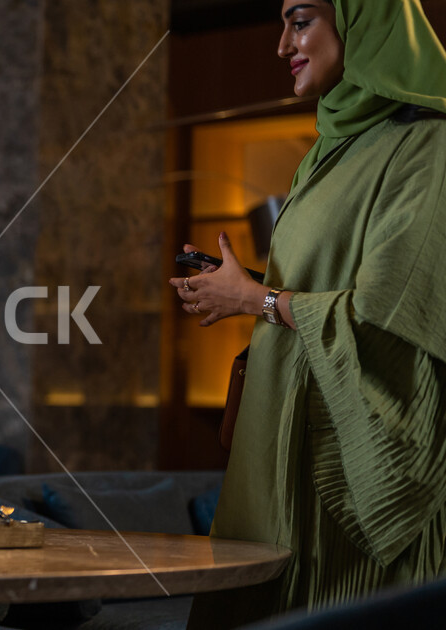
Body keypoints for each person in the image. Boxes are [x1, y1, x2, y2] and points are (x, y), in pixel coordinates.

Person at [170, 1, 446, 626]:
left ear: (364, 22)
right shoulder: (331, 150)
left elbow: (388, 321)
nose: (281, 46)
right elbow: (321, 289)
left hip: (339, 477)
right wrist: (244, 289)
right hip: (270, 451)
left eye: (300, 22)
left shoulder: (429, 146)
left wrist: (251, 299)